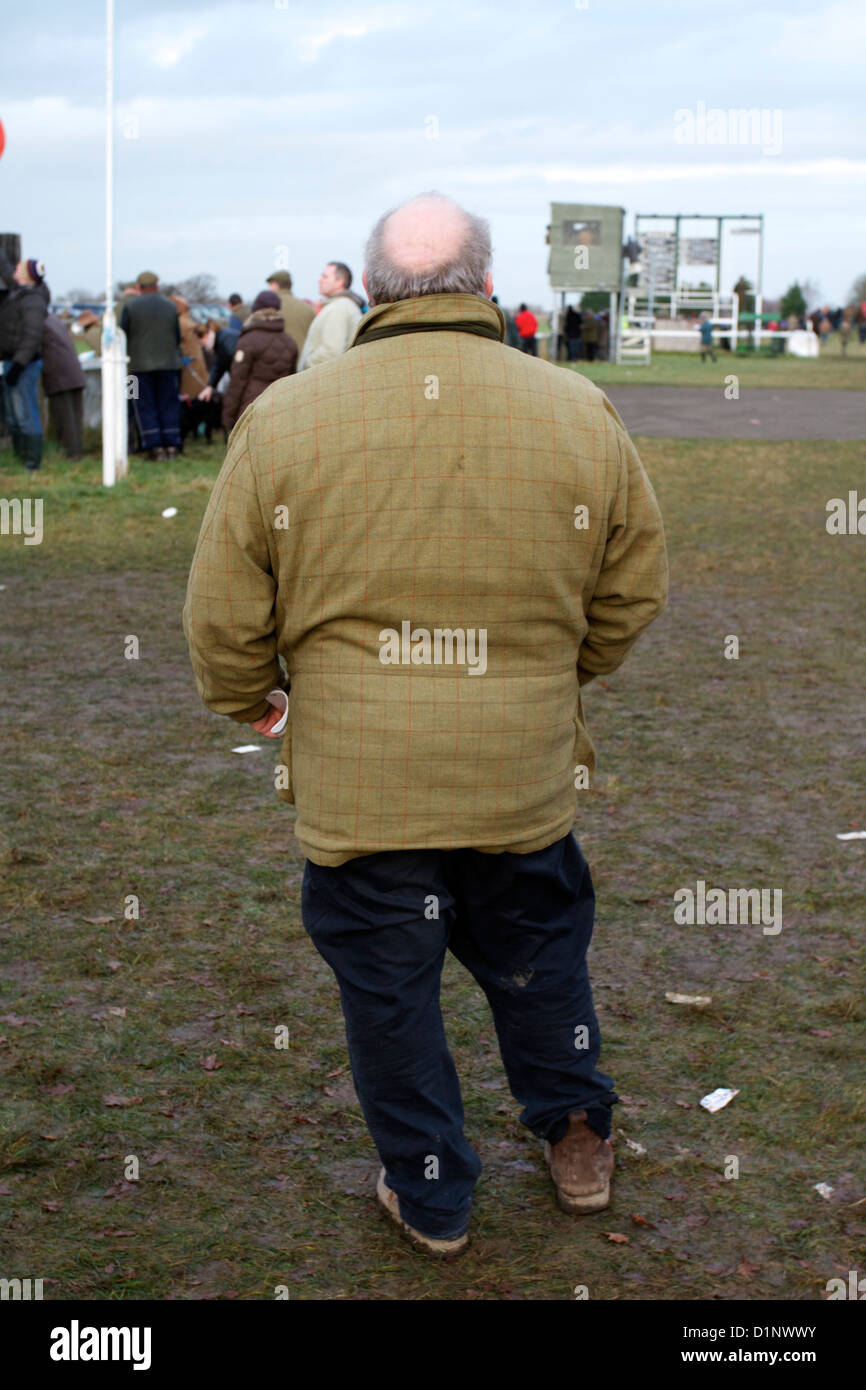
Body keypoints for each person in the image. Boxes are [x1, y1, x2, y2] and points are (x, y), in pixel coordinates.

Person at [183, 190, 668, 1257]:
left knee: (389, 994)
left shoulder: (287, 420)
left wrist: (258, 705)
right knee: (540, 957)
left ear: (373, 289)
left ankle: (435, 1194)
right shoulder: (575, 409)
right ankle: (576, 1132)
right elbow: (632, 587)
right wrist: (556, 673)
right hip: (521, 774)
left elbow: (222, 619)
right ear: (484, 285)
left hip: (362, 785)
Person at [120, 271, 181, 460]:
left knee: (144, 406)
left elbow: (122, 335)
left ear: (139, 287)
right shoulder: (171, 306)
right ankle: (171, 444)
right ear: (157, 286)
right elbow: (177, 336)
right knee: (168, 404)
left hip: (138, 367)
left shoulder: (130, 306)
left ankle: (153, 447)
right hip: (169, 365)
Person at [221, 290, 298, 433]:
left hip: (251, 407)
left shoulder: (247, 341)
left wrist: (228, 417)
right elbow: (293, 380)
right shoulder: (290, 343)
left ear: (255, 312)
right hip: (281, 407)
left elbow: (237, 382)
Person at [0, 256, 50, 470]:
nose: (15, 268)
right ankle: (22, 458)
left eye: (19, 267)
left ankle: (32, 463)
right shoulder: (22, 292)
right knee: (13, 415)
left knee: (25, 414)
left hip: (23, 365)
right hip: (12, 362)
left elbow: (32, 337)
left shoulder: (33, 301)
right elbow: (6, 270)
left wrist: (19, 365)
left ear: (27, 275)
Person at [297, 262, 363, 370]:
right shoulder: (342, 305)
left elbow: (330, 353)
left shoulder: (339, 308)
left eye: (325, 276)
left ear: (339, 282)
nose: (319, 280)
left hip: (317, 379)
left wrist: (304, 367)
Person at [42, 313, 87, 459]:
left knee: (64, 418)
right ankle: (76, 452)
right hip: (73, 371)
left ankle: (71, 455)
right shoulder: (54, 319)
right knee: (75, 417)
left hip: (59, 374)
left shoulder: (38, 321)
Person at [171, 294, 210, 446]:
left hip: (189, 366)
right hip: (197, 364)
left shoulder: (181, 323)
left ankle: (189, 429)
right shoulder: (189, 321)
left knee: (188, 400)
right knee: (198, 396)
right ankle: (200, 428)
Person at [265, 270, 315, 355]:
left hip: (275, 362)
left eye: (270, 285)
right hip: (304, 363)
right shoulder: (308, 308)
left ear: (275, 285)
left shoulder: (267, 309)